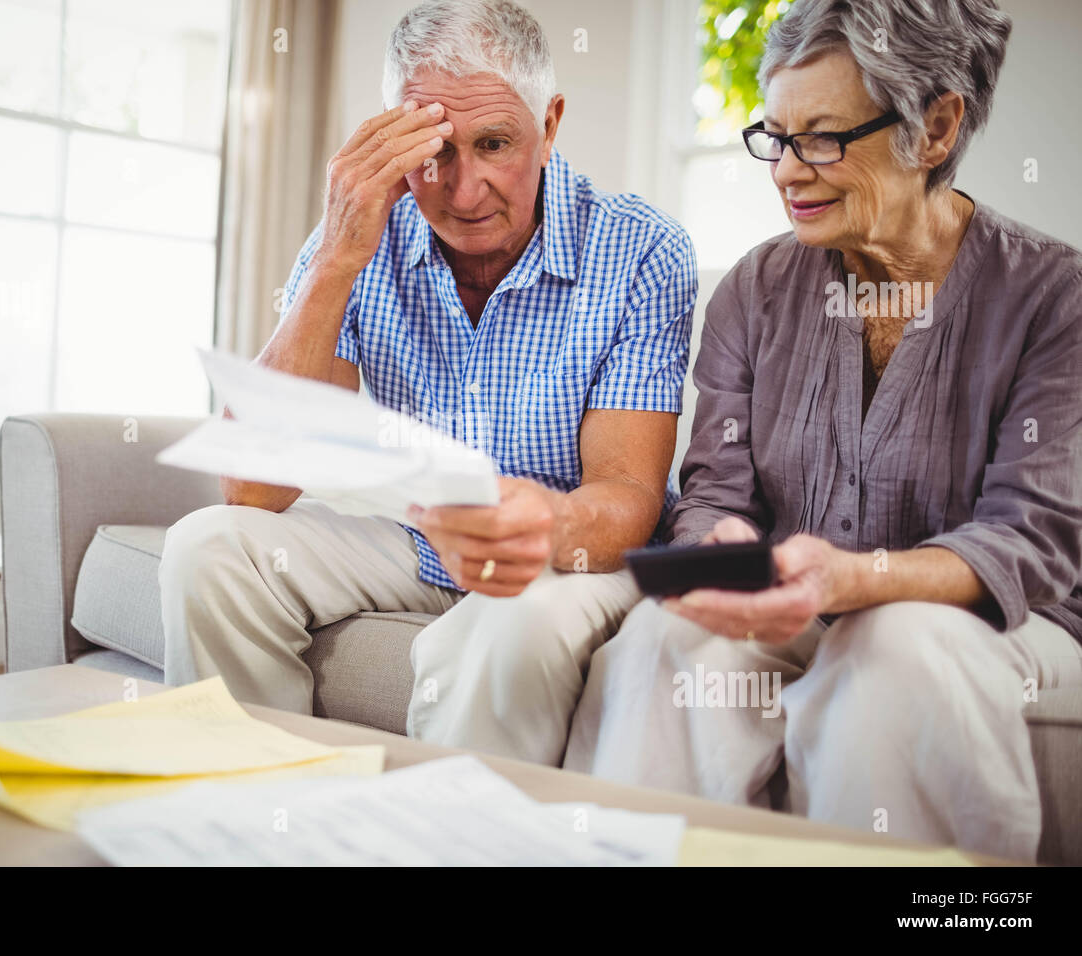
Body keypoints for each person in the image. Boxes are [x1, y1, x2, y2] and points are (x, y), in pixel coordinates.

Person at [565, 0, 1082, 861]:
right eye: (775, 136)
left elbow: (1030, 537)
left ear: (937, 125)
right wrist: (719, 540)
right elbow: (713, 494)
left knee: (895, 642)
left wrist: (860, 579)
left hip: (995, 623)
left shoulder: (1053, 298)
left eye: (824, 138)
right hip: (801, 604)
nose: (787, 172)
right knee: (665, 635)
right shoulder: (754, 290)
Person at [159, 0, 697, 765]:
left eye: (495, 144)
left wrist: (535, 524)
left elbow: (629, 498)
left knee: (510, 625)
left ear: (550, 125)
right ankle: (261, 820)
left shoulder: (640, 249)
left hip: (567, 550)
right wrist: (337, 258)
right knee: (206, 547)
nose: (463, 189)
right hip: (420, 541)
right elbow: (253, 489)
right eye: (434, 149)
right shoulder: (359, 235)